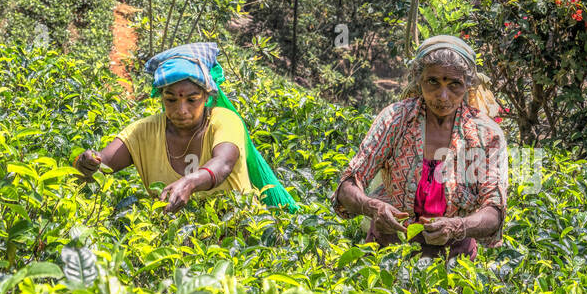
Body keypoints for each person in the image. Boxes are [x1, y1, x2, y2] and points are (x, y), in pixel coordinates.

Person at [332, 34, 507, 259]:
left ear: (468, 85)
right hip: (389, 252)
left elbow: (494, 211)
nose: (443, 96)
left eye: (454, 84)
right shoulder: (396, 119)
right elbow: (347, 186)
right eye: (433, 81)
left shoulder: (485, 135)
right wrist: (373, 207)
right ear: (418, 79)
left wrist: (457, 226)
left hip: (453, 262)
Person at [74, 42, 298, 212]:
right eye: (171, 100)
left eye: (191, 100)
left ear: (207, 97)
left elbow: (223, 163)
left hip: (236, 241)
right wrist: (86, 162)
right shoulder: (144, 132)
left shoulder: (225, 121)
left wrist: (190, 182)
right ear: (160, 97)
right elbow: (103, 162)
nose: (181, 110)